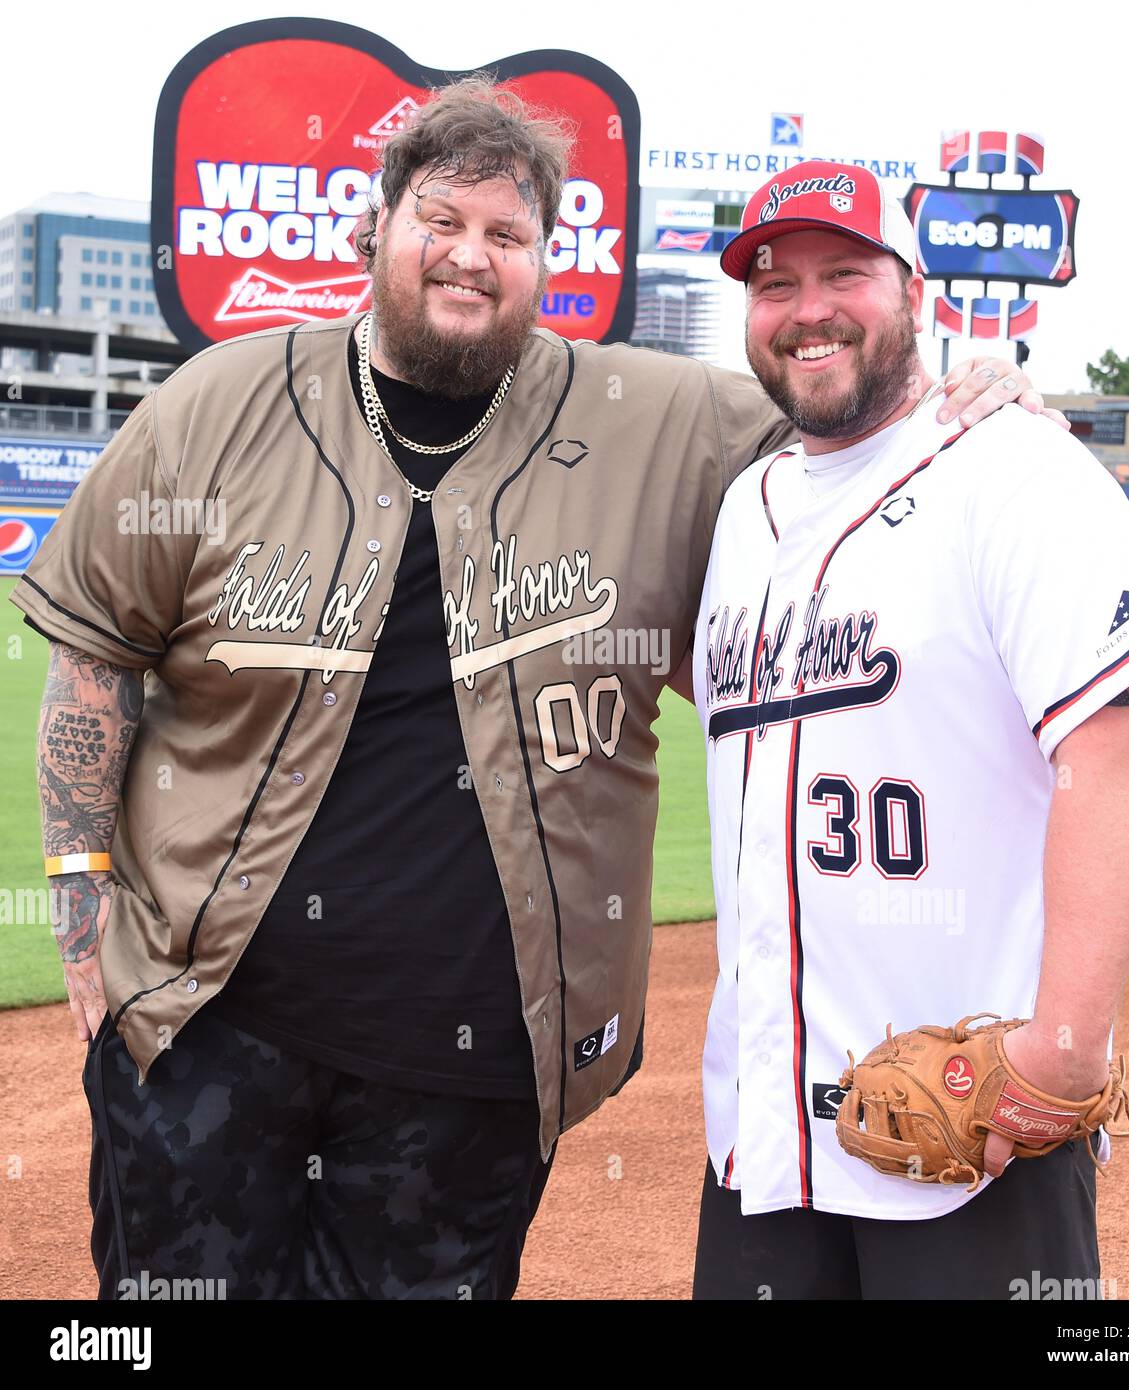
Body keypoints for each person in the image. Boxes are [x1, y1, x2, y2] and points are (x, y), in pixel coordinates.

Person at [12, 82, 1052, 1301]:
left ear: (546, 262)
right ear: (377, 228)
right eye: (441, 221)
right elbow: (94, 652)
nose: (469, 256)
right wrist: (81, 912)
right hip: (206, 1034)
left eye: (507, 236)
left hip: (473, 1073)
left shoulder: (648, 417)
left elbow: (830, 387)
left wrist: (979, 391)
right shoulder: (218, 403)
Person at [690, 159, 1129, 1300]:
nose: (805, 308)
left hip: (975, 1130)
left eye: (843, 272)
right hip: (764, 1134)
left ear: (912, 289)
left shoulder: (1017, 474)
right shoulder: (739, 511)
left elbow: (1106, 752)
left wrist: (1059, 1056)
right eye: (772, 284)